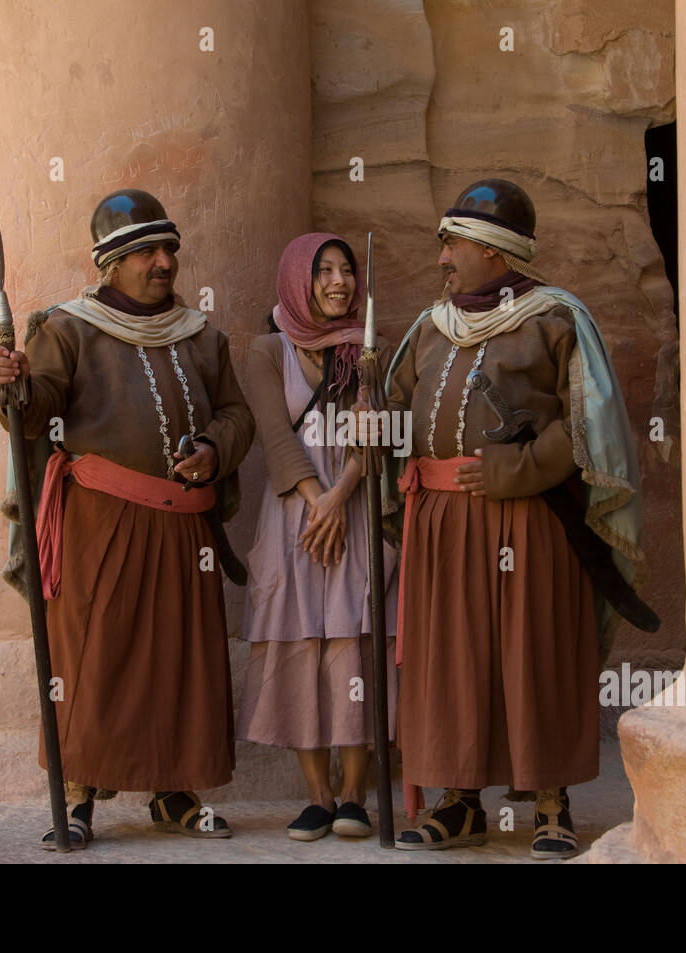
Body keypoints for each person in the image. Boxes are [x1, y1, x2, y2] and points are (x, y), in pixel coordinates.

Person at [385, 179, 646, 860]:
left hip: (529, 523)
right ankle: (460, 801)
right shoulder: (427, 328)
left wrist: (512, 469)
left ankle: (552, 802)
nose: (442, 256)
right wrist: (370, 426)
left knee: (535, 651)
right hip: (440, 524)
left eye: (454, 242)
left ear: (494, 251)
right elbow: (396, 418)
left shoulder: (556, 319)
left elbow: (591, 430)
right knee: (453, 657)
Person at [0, 188, 255, 848]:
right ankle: (78, 797)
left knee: (182, 661)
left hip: (184, 527)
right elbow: (36, 409)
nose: (164, 262)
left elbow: (237, 415)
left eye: (169, 249)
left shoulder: (202, 336)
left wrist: (214, 449)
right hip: (99, 526)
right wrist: (13, 382)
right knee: (92, 659)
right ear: (109, 261)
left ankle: (173, 791)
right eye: (146, 252)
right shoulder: (67, 329)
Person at [236, 233, 398, 842]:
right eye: (323, 271)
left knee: (355, 637)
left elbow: (379, 432)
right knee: (300, 638)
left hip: (352, 510)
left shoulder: (369, 351)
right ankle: (317, 796)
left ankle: (356, 794)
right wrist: (314, 501)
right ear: (297, 279)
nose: (339, 282)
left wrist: (340, 494)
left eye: (346, 271)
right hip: (293, 517)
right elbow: (276, 438)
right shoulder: (265, 351)